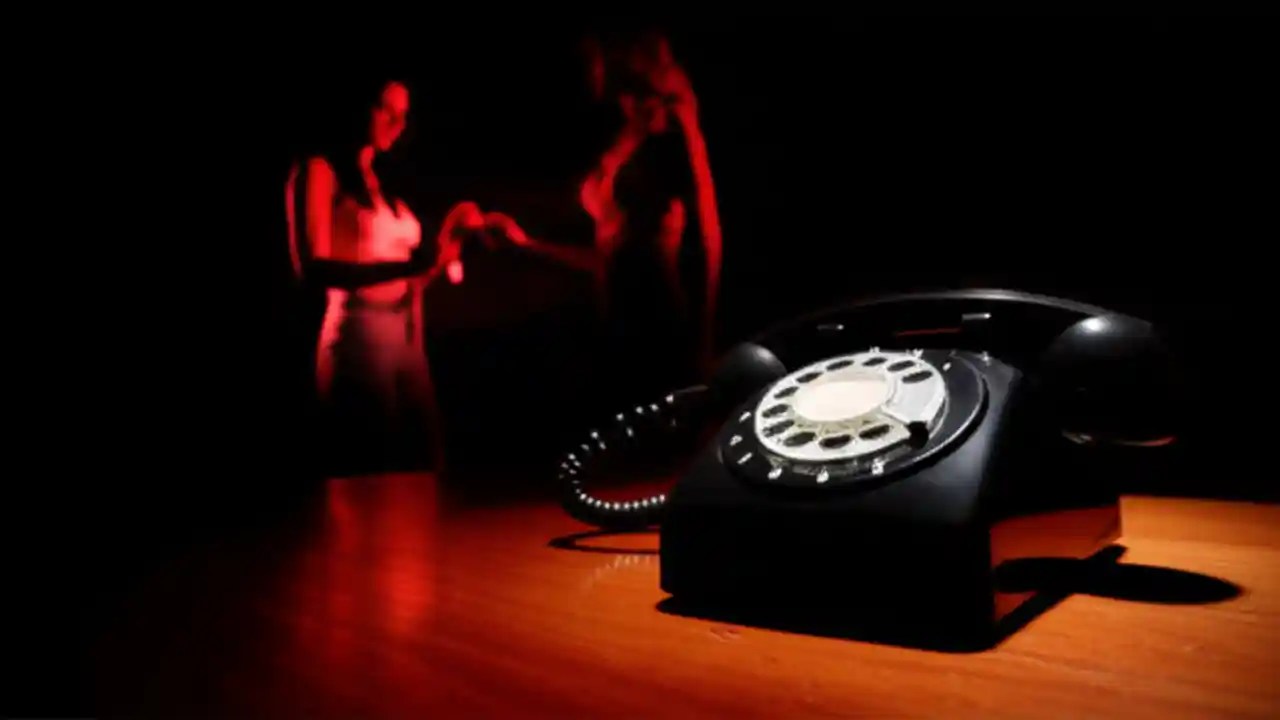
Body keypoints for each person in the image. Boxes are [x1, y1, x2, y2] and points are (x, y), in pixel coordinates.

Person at [287, 77, 515, 476]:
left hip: (408, 343)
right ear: (355, 107)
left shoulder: (380, 183)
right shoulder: (318, 170)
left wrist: (459, 231)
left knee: (424, 467)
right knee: (374, 471)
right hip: (358, 342)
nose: (397, 124)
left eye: (403, 115)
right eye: (385, 110)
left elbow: (414, 273)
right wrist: (408, 266)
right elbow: (312, 267)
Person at [490, 30, 724, 406]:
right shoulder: (623, 141)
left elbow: (707, 234)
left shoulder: (670, 135)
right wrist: (527, 245)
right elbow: (607, 256)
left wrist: (704, 337)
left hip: (662, 332)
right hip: (613, 333)